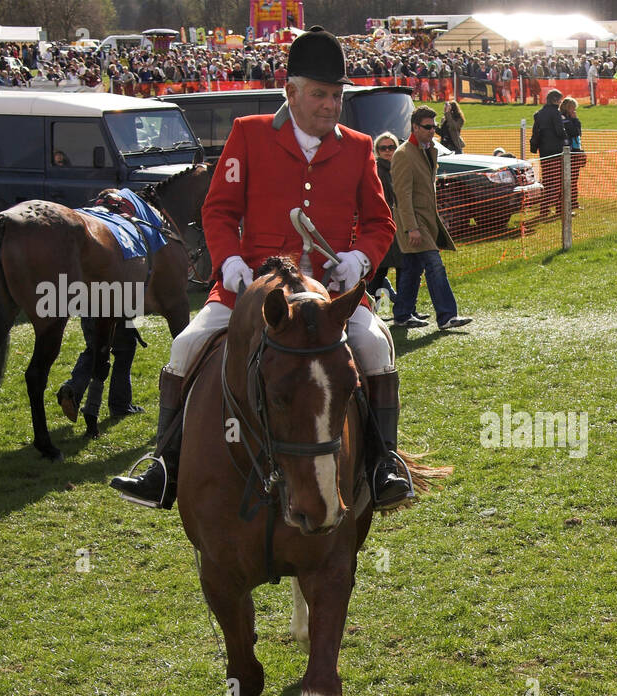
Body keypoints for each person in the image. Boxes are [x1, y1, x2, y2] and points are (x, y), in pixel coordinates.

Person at [111, 28, 411, 511]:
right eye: (319, 95)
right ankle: (164, 465)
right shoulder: (249, 134)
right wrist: (229, 262)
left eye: (337, 96)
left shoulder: (357, 147)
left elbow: (379, 222)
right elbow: (219, 212)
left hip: (330, 296)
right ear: (290, 92)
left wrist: (360, 258)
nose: (331, 106)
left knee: (375, 347)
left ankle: (382, 465)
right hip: (251, 289)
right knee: (185, 346)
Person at [390, 107, 469, 334]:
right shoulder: (403, 154)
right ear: (415, 127)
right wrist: (412, 227)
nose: (432, 131)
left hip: (426, 220)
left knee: (412, 269)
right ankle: (447, 316)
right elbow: (402, 195)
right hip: (415, 223)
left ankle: (403, 315)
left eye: (434, 127)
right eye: (427, 127)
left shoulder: (428, 150)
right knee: (434, 265)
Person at [368, 131, 417, 323]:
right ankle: (365, 307)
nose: (388, 151)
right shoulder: (378, 171)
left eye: (392, 147)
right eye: (383, 148)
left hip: (401, 226)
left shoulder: (399, 167)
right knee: (381, 271)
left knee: (402, 268)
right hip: (387, 227)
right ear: (377, 151)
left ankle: (405, 310)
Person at [529, 88, 568, 218]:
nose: (560, 103)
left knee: (547, 180)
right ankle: (558, 208)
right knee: (558, 181)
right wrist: (565, 136)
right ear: (554, 100)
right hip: (556, 150)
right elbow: (559, 131)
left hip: (544, 151)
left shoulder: (539, 114)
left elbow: (536, 133)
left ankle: (545, 209)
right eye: (559, 100)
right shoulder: (555, 113)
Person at [560, 96, 586, 212]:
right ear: (568, 108)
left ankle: (574, 202)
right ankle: (566, 203)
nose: (574, 111)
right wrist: (575, 120)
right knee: (569, 179)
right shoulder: (565, 119)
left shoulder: (568, 119)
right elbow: (576, 132)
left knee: (574, 179)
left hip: (575, 151)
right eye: (573, 108)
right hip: (570, 152)